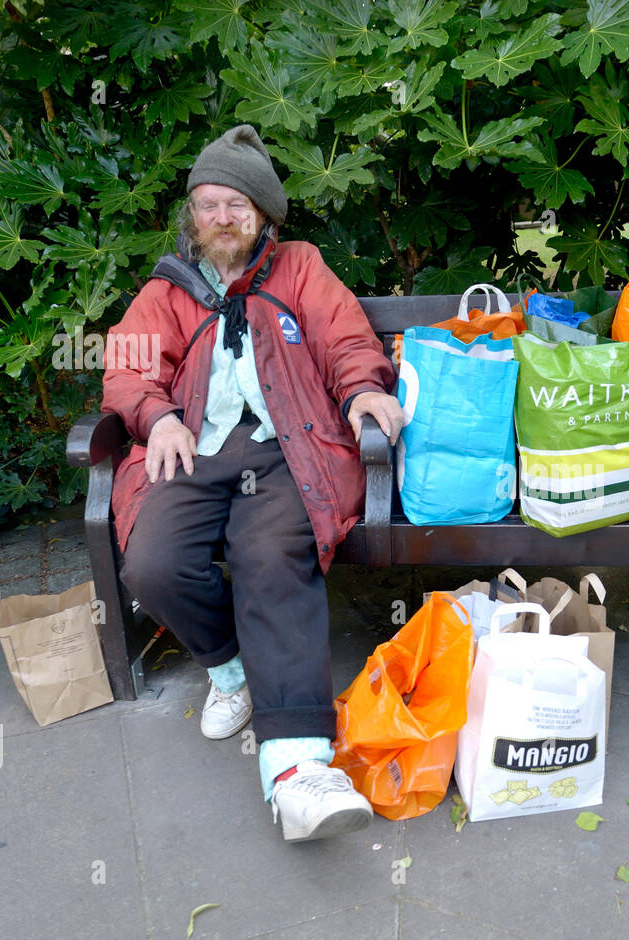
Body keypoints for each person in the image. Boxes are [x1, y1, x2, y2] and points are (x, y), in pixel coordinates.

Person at [101, 125, 405, 842]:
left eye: (235, 204)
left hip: (287, 447)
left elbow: (347, 339)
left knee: (272, 559)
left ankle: (299, 772)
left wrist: (363, 389)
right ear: (192, 216)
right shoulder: (168, 287)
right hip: (193, 448)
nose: (221, 219)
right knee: (152, 563)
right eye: (207, 205)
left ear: (263, 213)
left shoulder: (299, 267)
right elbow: (127, 364)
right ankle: (232, 671)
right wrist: (159, 417)